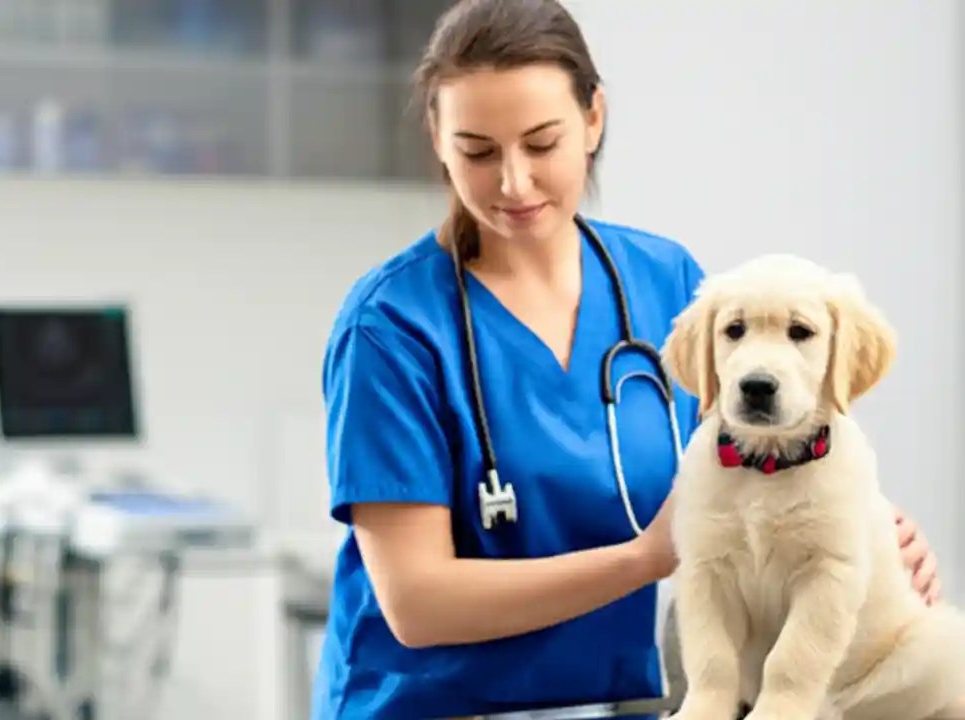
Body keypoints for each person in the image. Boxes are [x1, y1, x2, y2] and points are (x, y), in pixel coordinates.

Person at [311, 1, 943, 718]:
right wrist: (643, 559)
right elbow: (417, 604)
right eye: (478, 151)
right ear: (438, 138)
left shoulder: (666, 282)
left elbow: (747, 449)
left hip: (623, 700)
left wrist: (859, 519)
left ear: (593, 119)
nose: (513, 182)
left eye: (541, 143)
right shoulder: (392, 328)